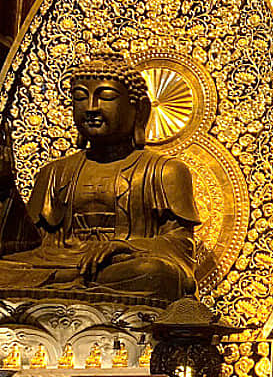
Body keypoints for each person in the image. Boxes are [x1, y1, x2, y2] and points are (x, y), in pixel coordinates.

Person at [0, 52, 200, 300]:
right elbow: (28, 246)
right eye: (80, 98)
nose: (91, 108)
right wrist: (5, 190)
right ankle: (74, 286)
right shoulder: (54, 172)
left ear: (139, 110)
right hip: (56, 264)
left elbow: (182, 247)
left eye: (106, 97)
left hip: (120, 268)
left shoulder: (163, 171)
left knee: (155, 273)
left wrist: (124, 247)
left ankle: (75, 287)